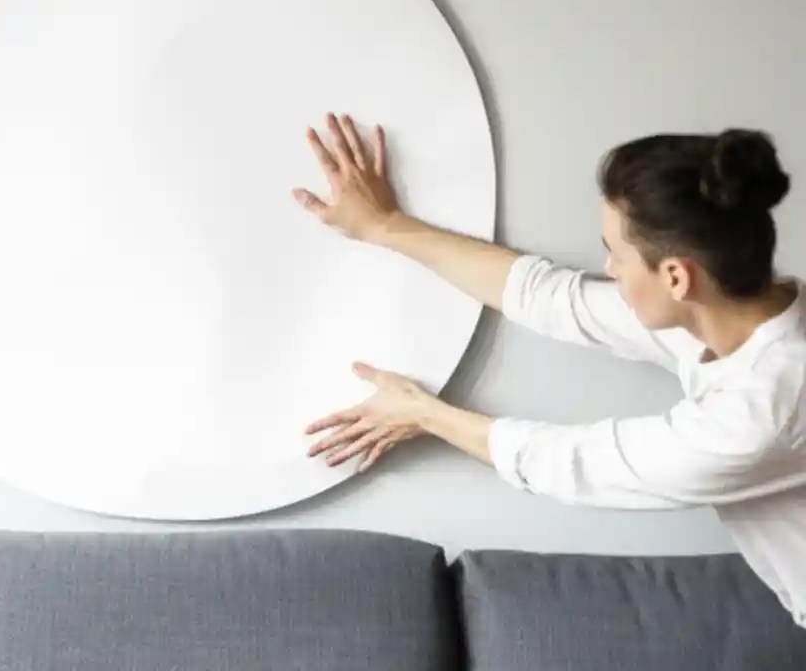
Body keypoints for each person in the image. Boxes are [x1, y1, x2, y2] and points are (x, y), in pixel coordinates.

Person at [293, 113, 806, 629]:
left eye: (616, 255)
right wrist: (386, 226)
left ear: (676, 276)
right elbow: (552, 299)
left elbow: (574, 462)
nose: (608, 270)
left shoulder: (763, 413)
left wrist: (423, 413)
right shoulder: (732, 313)